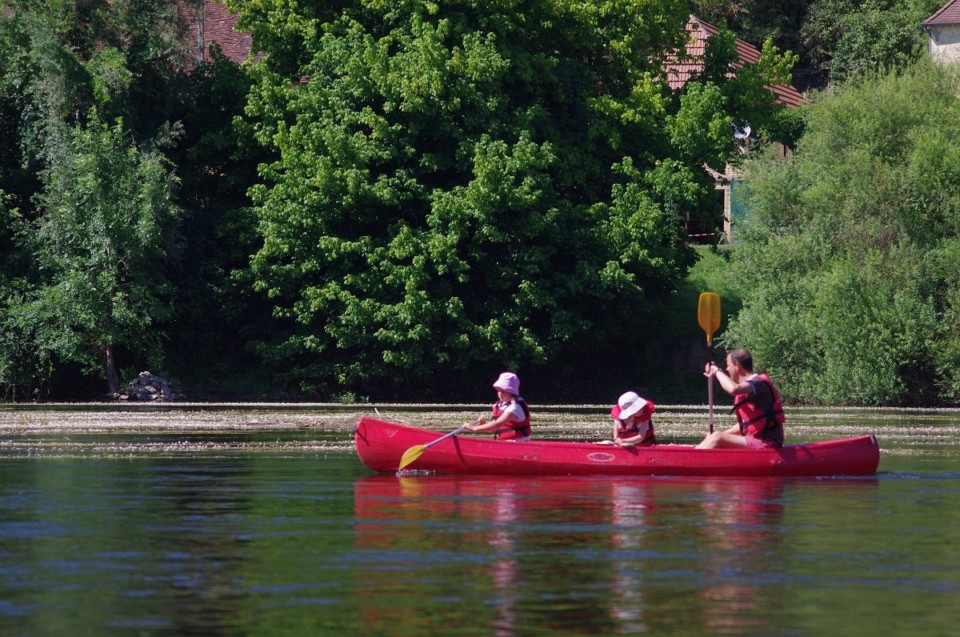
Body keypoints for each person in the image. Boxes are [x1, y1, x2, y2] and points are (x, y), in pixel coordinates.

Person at [697, 348, 785, 449]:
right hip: (755, 441)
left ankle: (689, 460)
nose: (727, 369)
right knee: (716, 437)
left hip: (768, 443)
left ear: (737, 365)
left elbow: (733, 389)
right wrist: (713, 437)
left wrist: (717, 371)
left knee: (718, 438)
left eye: (728, 365)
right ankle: (693, 455)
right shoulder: (747, 388)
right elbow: (744, 426)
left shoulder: (758, 383)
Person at [463, 372, 532, 441]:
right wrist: (483, 425)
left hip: (519, 442)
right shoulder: (499, 405)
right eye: (498, 390)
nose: (500, 393)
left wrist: (474, 428)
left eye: (504, 391)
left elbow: (496, 424)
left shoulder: (515, 407)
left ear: (512, 392)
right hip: (506, 442)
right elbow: (494, 429)